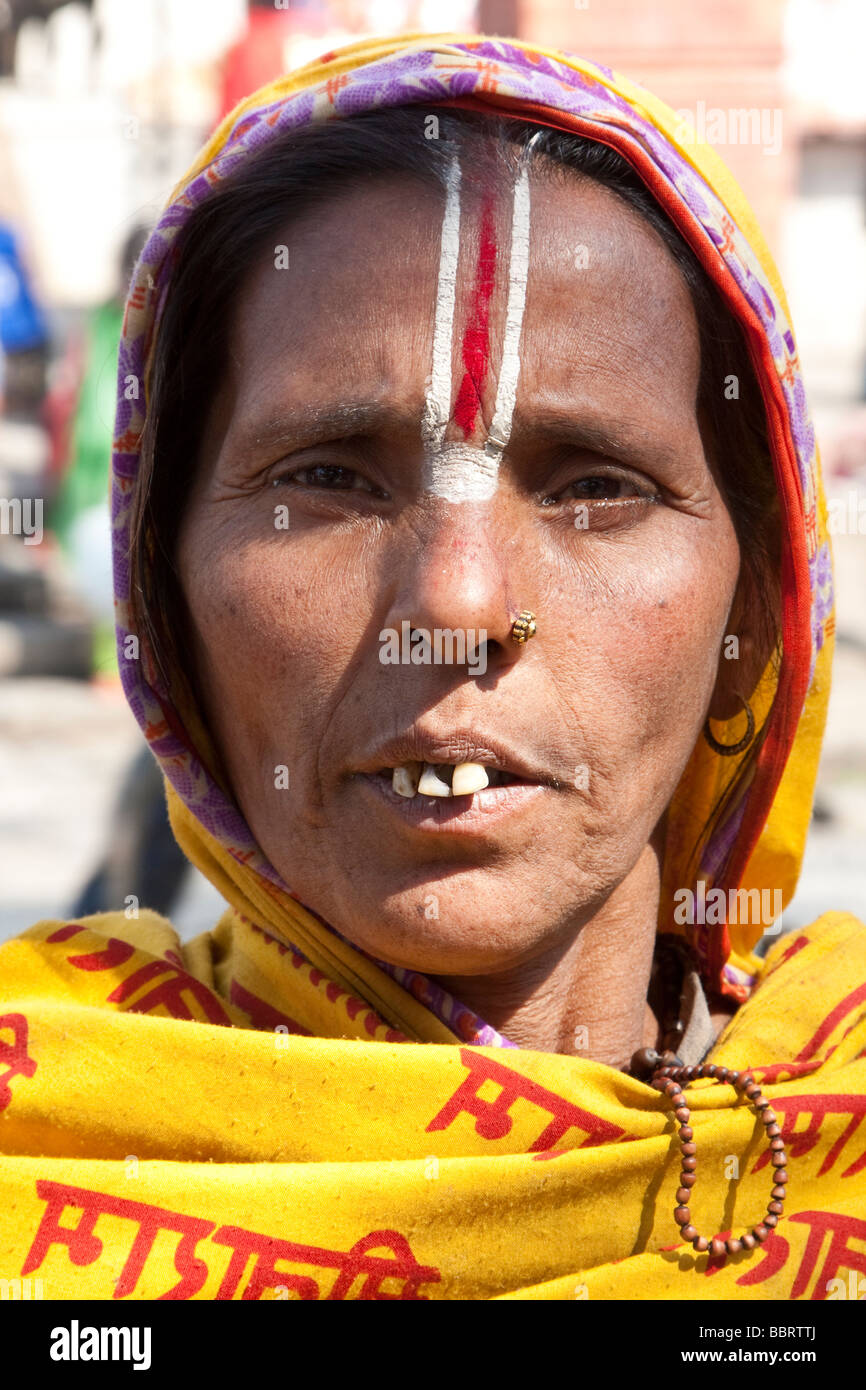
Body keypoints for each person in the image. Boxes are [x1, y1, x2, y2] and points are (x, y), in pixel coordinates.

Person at [0, 33, 862, 1302]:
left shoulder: (828, 1130)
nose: (456, 604)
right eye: (327, 479)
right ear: (161, 592)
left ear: (759, 621)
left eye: (595, 488)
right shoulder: (44, 1134)